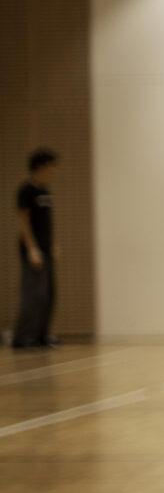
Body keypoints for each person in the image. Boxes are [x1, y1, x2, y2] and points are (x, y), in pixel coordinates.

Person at [13, 148, 58, 349]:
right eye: (50, 166)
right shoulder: (26, 190)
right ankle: (23, 337)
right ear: (40, 166)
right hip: (33, 252)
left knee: (48, 295)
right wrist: (32, 248)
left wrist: (53, 244)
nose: (53, 170)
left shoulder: (45, 191)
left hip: (47, 250)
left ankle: (41, 335)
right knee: (32, 295)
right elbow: (22, 220)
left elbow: (47, 222)